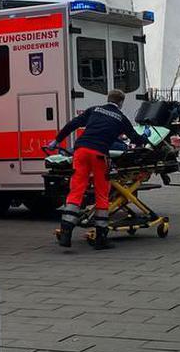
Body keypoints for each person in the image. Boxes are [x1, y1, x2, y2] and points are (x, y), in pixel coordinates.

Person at [45, 89, 147, 250]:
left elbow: (73, 124)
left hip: (80, 151)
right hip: (99, 154)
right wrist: (144, 140)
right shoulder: (121, 118)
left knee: (76, 189)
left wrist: (57, 140)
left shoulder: (94, 110)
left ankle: (66, 233)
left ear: (108, 99)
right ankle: (101, 237)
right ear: (121, 103)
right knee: (101, 192)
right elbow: (135, 138)